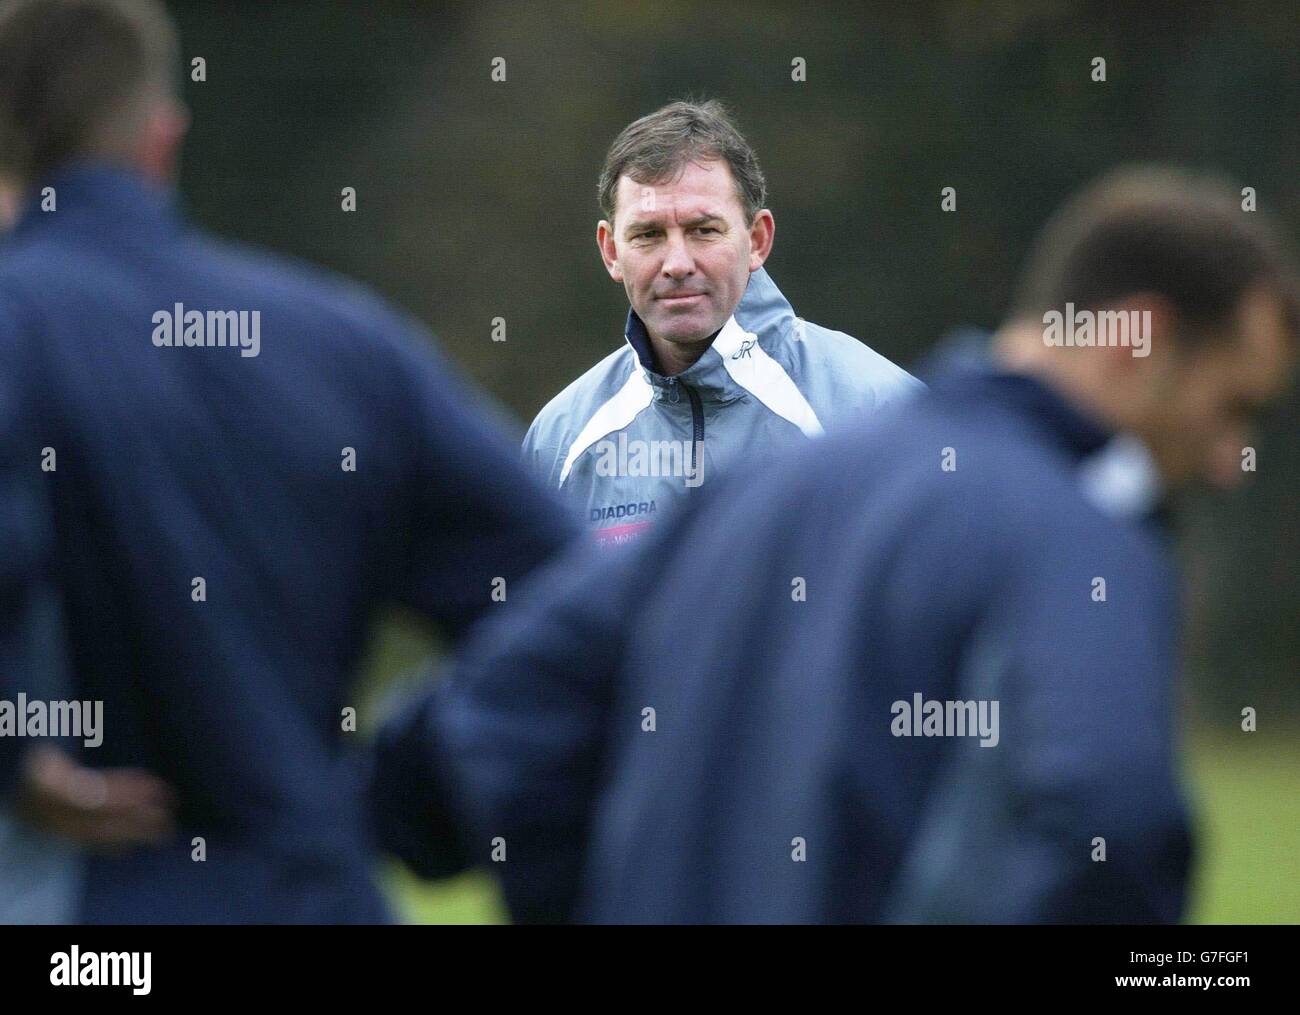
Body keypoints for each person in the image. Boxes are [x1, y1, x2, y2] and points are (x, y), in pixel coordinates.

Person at [381, 165, 1297, 923]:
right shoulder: (1084, 541)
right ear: (1142, 342)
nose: (1231, 459)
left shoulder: (759, 492)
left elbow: (479, 729)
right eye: (1235, 408)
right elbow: (1109, 822)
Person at [0, 0, 574, 923]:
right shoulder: (347, 341)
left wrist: (18, 749)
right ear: (162, 138)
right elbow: (571, 600)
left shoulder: (17, 325)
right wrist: (401, 791)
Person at [522, 100, 921, 545]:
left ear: (757, 239)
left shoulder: (879, 408)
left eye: (703, 230)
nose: (676, 263)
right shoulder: (560, 439)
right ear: (611, 250)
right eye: (648, 235)